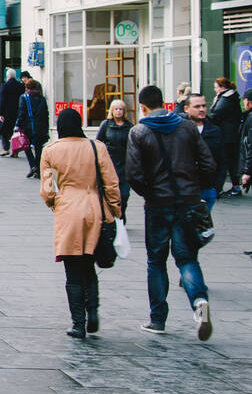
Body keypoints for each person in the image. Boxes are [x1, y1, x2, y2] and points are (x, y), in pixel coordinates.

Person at [127, 84, 216, 340]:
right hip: (187, 201)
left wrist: (149, 192)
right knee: (187, 258)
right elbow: (209, 163)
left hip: (158, 204)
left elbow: (134, 174)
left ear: (143, 106)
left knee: (156, 261)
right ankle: (199, 301)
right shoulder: (187, 126)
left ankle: (158, 319)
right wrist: (193, 185)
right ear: (164, 102)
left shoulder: (139, 131)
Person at [40, 108, 122, 339]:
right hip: (95, 209)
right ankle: (93, 309)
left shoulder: (51, 151)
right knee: (89, 265)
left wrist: (56, 204)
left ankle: (78, 323)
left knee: (73, 271)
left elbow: (48, 190)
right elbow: (111, 183)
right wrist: (114, 210)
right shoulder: (97, 147)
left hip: (68, 212)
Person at [184, 94, 225, 212]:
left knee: (202, 227)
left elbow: (222, 160)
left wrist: (216, 187)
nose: (201, 109)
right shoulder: (179, 130)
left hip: (208, 188)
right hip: (185, 189)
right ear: (187, 109)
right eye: (197, 106)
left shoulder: (215, 130)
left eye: (203, 106)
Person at [95, 99, 133, 223]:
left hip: (125, 163)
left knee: (124, 194)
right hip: (110, 162)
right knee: (110, 192)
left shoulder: (129, 126)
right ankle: (113, 216)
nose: (118, 111)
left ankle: (122, 212)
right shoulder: (106, 125)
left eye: (121, 109)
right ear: (112, 111)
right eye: (116, 109)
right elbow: (98, 142)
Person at [210, 77, 242, 197]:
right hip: (229, 135)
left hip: (227, 136)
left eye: (216, 87)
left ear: (222, 88)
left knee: (226, 161)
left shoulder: (226, 99)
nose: (215, 89)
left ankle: (228, 187)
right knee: (229, 161)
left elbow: (216, 114)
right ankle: (234, 186)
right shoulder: (228, 97)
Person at [16, 78, 51, 178]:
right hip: (40, 127)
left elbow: (22, 112)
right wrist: (46, 127)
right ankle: (38, 169)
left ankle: (33, 166)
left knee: (26, 147)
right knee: (39, 149)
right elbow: (46, 114)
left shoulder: (24, 97)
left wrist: (17, 125)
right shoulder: (42, 98)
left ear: (27, 87)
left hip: (28, 127)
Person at [0, 68, 23, 155]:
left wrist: (0, 113)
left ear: (7, 76)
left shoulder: (5, 86)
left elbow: (2, 100)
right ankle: (15, 151)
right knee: (15, 131)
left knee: (3, 130)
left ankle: (6, 148)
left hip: (7, 112)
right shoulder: (20, 86)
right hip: (18, 111)